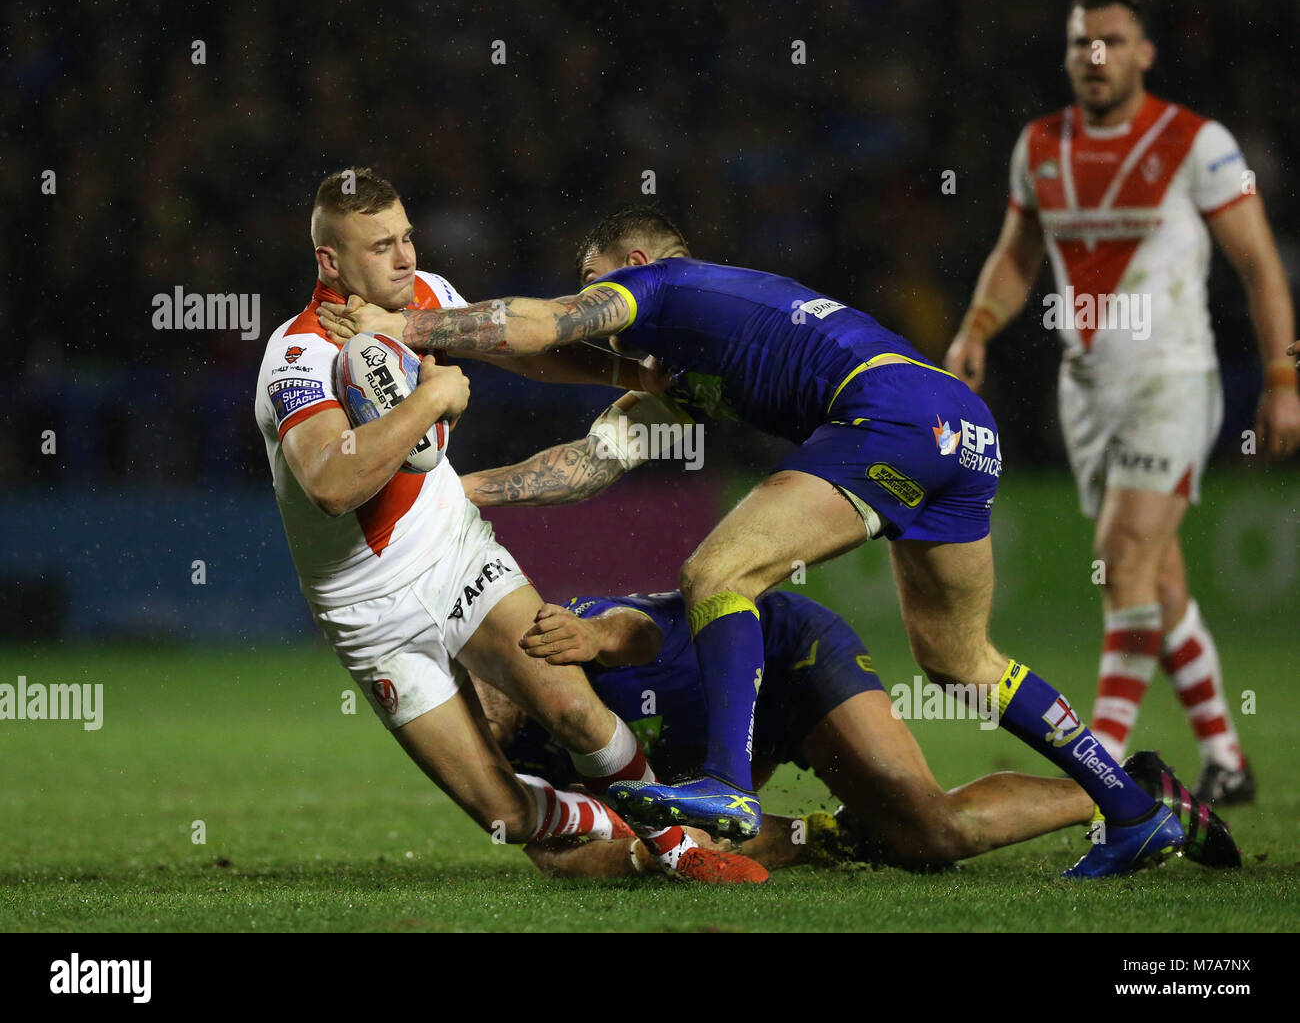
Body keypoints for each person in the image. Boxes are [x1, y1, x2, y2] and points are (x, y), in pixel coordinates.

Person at [320, 206, 1187, 878]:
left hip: (890, 413)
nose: (601, 318)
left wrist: (409, 329)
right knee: (961, 661)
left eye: (596, 289)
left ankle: (727, 783)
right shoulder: (682, 372)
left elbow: (543, 327)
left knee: (718, 570)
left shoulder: (663, 285)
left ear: (633, 265)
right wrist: (450, 493)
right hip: (960, 428)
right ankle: (1130, 805)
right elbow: (591, 461)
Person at [457, 401, 1240, 879]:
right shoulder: (506, 759)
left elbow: (640, 629)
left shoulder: (548, 635)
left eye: (476, 678)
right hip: (722, 751)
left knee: (934, 831)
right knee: (899, 843)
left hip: (788, 658)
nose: (474, 707)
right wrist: (646, 854)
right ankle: (827, 834)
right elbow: (555, 852)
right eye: (459, 690)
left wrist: (593, 637)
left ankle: (1121, 792)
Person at [254, 167, 765, 883]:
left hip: (455, 552)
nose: (404, 258)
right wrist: (431, 399)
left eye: (406, 237)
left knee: (574, 710)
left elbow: (525, 348)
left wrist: (634, 378)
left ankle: (680, 849)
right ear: (330, 262)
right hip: (370, 612)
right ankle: (616, 821)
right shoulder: (296, 355)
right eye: (380, 247)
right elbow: (333, 486)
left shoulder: (424, 298)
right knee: (508, 815)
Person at [944, 0, 1300, 805]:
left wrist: (1282, 377)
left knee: (1126, 561)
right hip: (1088, 393)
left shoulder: (1196, 142)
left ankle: (1102, 777)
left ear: (1145, 53)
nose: (1094, 57)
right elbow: (1015, 256)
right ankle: (1226, 758)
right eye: (1081, 44)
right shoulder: (1039, 146)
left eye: (1111, 41)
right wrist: (975, 331)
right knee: (1155, 577)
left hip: (1173, 380)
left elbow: (1259, 264)